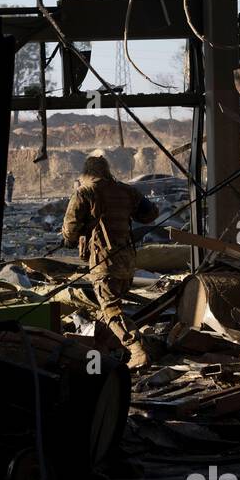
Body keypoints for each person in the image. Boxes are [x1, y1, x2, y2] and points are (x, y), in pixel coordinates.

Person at [62, 154, 158, 369]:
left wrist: (74, 237)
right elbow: (150, 213)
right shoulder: (126, 191)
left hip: (103, 262)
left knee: (111, 311)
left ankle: (137, 351)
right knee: (109, 310)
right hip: (127, 262)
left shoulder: (85, 192)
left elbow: (69, 231)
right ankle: (104, 355)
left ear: (86, 173)